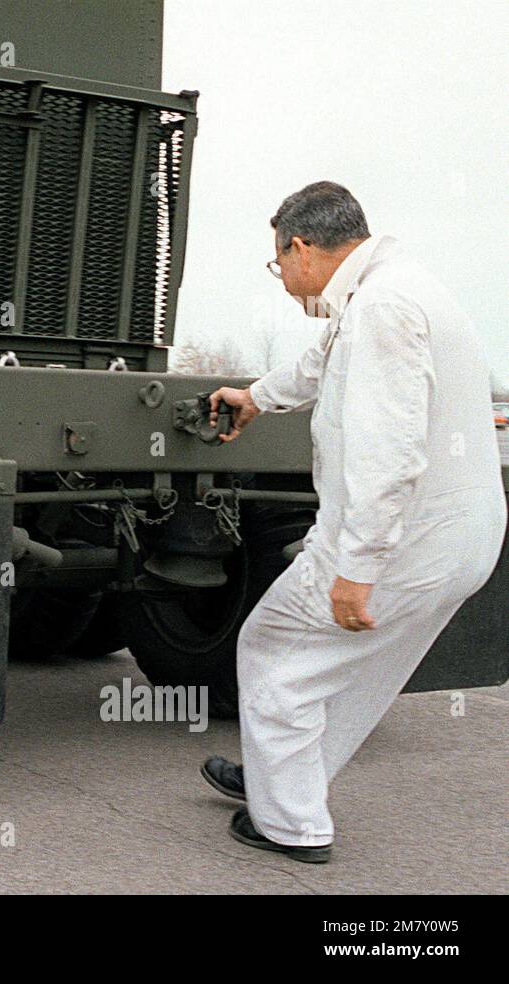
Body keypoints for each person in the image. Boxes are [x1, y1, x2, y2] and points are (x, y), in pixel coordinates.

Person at [202, 181, 506, 863]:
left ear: (301, 248)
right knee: (361, 672)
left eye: (278, 265)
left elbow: (387, 455)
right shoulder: (395, 291)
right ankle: (283, 780)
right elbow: (320, 366)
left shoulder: (381, 308)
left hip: (405, 539)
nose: (282, 280)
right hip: (462, 536)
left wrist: (357, 569)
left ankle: (289, 823)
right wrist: (256, 396)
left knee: (274, 650)